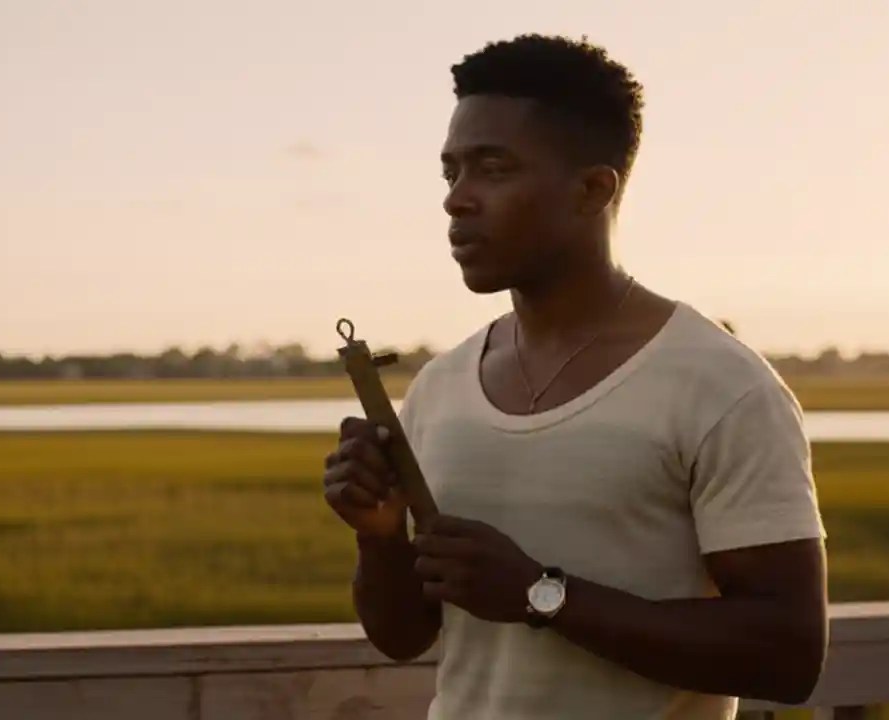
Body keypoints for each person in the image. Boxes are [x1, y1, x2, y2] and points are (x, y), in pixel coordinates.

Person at [322, 33, 828, 719]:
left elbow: (787, 655)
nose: (457, 201)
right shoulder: (441, 387)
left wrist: (540, 594)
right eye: (451, 174)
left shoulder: (721, 386)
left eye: (493, 170)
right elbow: (405, 634)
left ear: (593, 189)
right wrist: (378, 539)